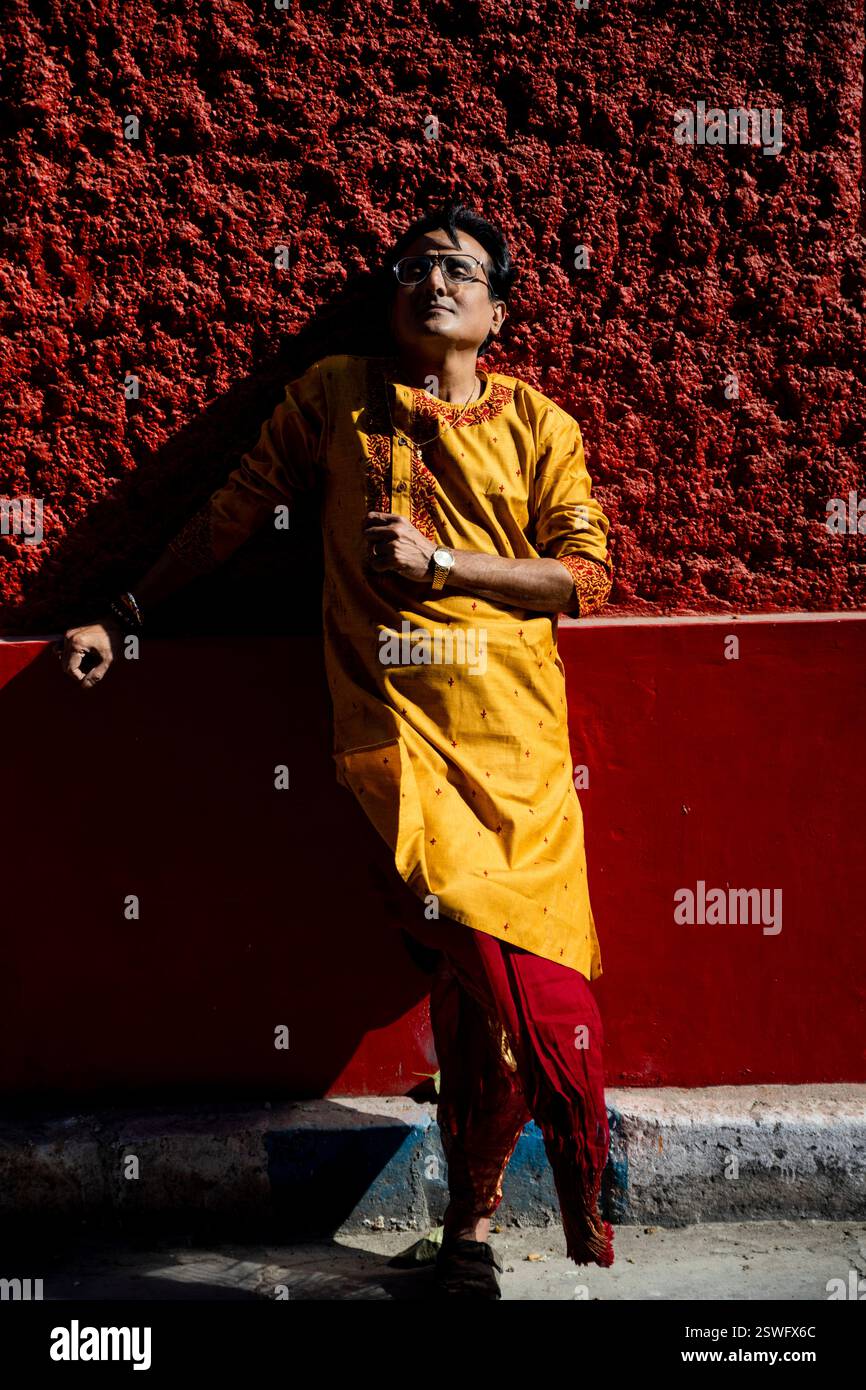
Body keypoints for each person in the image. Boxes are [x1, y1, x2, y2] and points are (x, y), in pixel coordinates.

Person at [59, 198, 616, 1298]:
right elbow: (230, 513)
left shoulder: (541, 426)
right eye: (413, 267)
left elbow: (582, 578)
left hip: (517, 746)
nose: (433, 282)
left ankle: (467, 1232)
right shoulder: (333, 398)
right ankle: (565, 1161)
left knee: (487, 996)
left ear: (497, 312)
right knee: (480, 943)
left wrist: (445, 566)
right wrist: (122, 613)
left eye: (459, 269)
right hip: (392, 737)